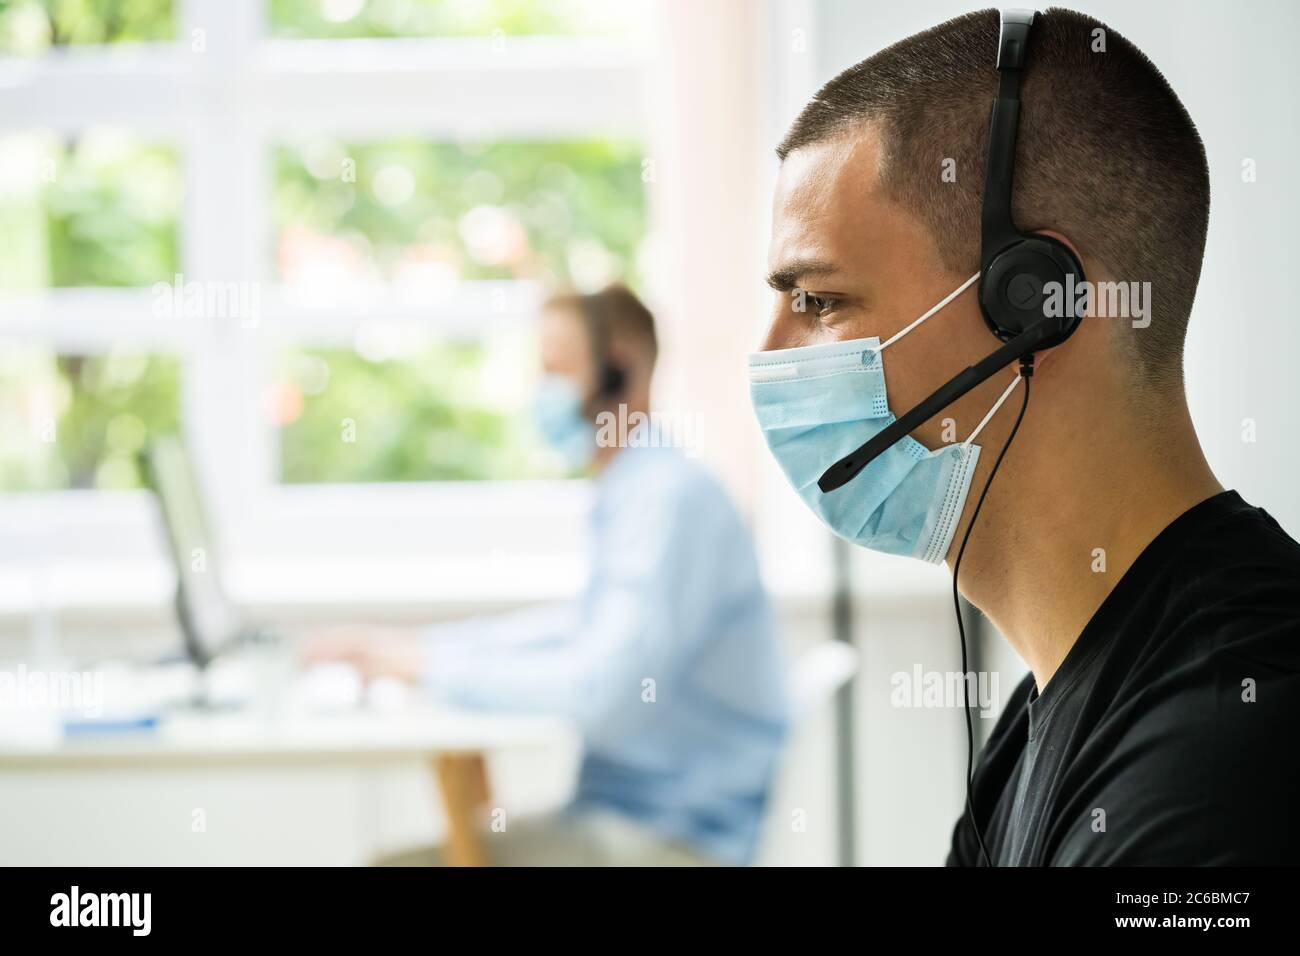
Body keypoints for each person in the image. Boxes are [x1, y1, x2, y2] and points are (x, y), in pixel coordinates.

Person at [748, 7, 1300, 865]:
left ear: (1036, 304)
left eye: (819, 301)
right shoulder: (1052, 704)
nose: (769, 358)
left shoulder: (1218, 768)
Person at [307, 285, 789, 867]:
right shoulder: (641, 485)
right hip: (638, 816)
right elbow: (580, 630)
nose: (542, 389)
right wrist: (419, 651)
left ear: (618, 368)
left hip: (672, 840)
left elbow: (599, 690)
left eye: (555, 366)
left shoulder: (666, 501)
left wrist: (432, 666)